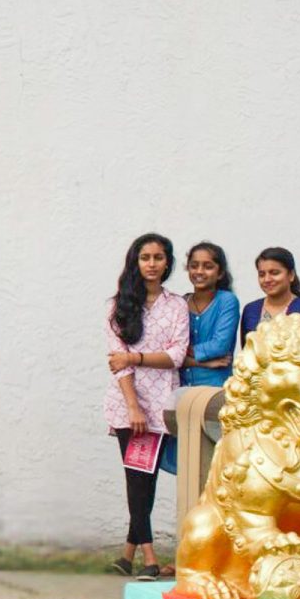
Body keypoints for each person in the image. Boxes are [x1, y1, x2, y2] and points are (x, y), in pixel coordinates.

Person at [103, 232, 189, 579]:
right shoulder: (118, 307)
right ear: (135, 262)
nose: (151, 264)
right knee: (136, 478)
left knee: (147, 479)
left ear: (167, 262)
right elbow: (117, 363)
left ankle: (126, 554)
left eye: (158, 257)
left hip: (162, 404)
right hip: (130, 407)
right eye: (145, 257)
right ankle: (150, 558)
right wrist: (134, 407)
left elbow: (175, 356)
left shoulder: (176, 305)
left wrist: (135, 355)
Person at [180, 241, 241, 388]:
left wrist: (184, 351)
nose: (199, 271)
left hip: (215, 388)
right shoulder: (181, 302)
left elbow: (220, 346)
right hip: (181, 386)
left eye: (208, 267)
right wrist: (205, 361)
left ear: (220, 273)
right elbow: (167, 351)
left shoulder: (226, 301)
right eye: (194, 266)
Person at [239, 247, 300, 345]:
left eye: (274, 273)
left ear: (291, 275)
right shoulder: (251, 310)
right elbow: (246, 352)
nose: (267, 279)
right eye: (261, 274)